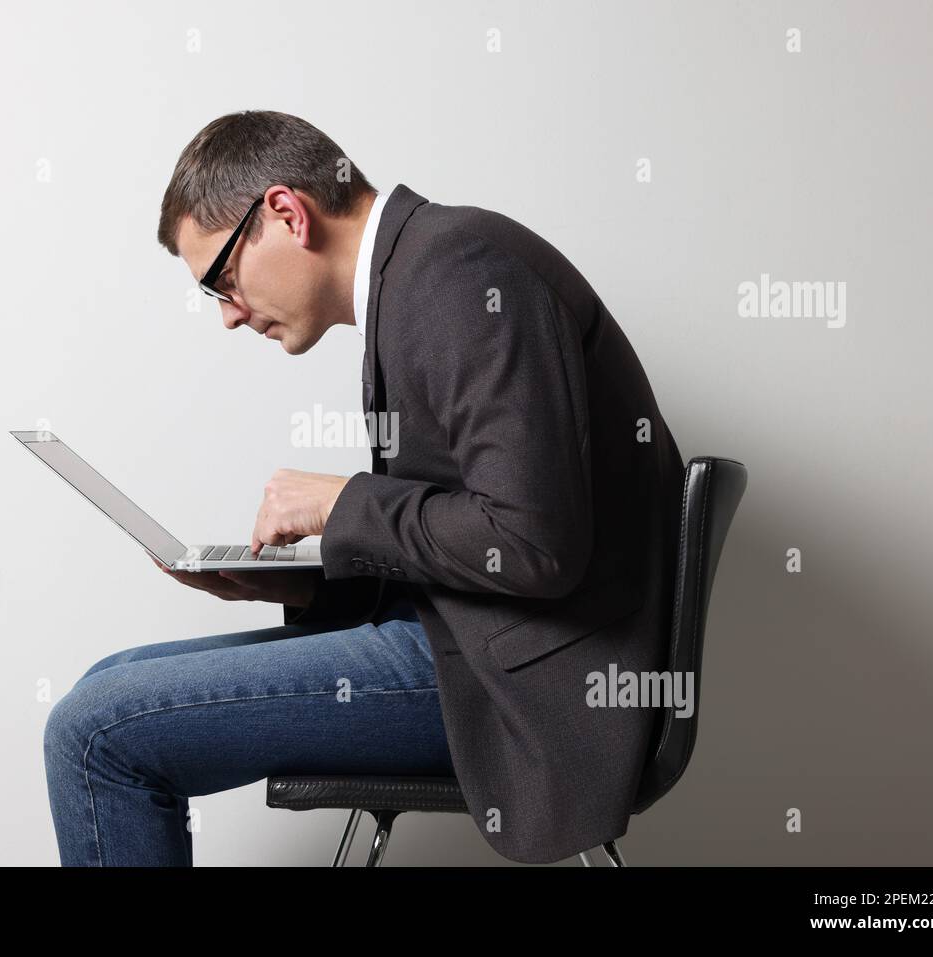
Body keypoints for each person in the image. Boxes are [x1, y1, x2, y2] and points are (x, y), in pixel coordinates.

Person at [43, 110, 685, 866]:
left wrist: (339, 502)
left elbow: (533, 542)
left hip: (531, 683)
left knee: (95, 728)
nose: (226, 314)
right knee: (108, 684)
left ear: (285, 213)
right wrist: (306, 588)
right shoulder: (420, 275)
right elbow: (466, 543)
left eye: (220, 279)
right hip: (474, 642)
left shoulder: (459, 273)